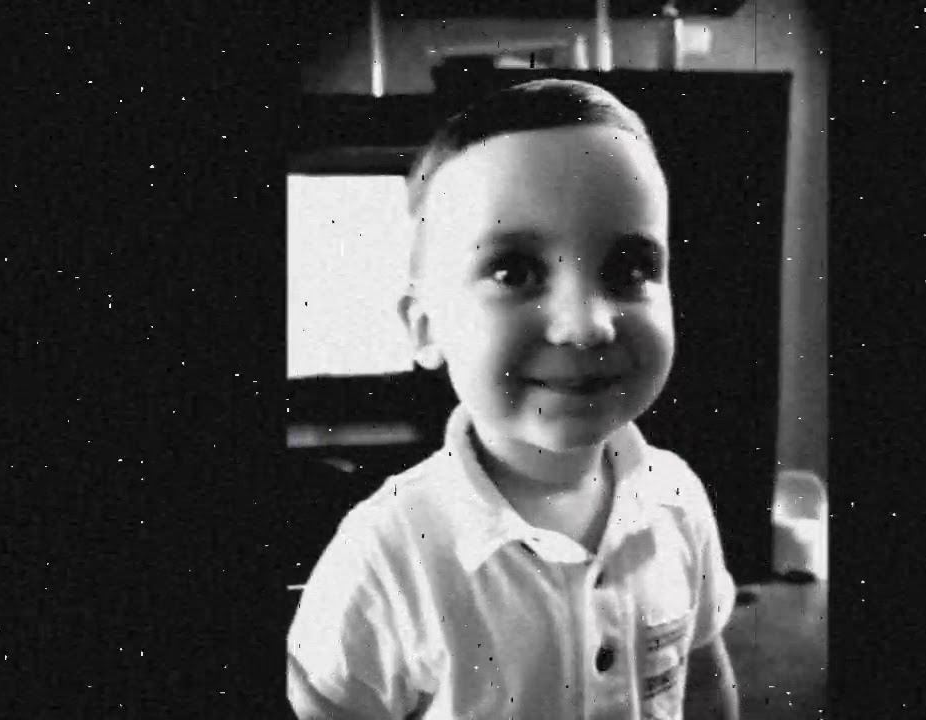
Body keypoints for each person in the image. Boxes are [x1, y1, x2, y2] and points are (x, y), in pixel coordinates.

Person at [287, 78, 739, 720]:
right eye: (514, 271)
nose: (586, 326)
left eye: (630, 268)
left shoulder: (679, 500)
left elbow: (702, 680)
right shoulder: (385, 551)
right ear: (424, 327)